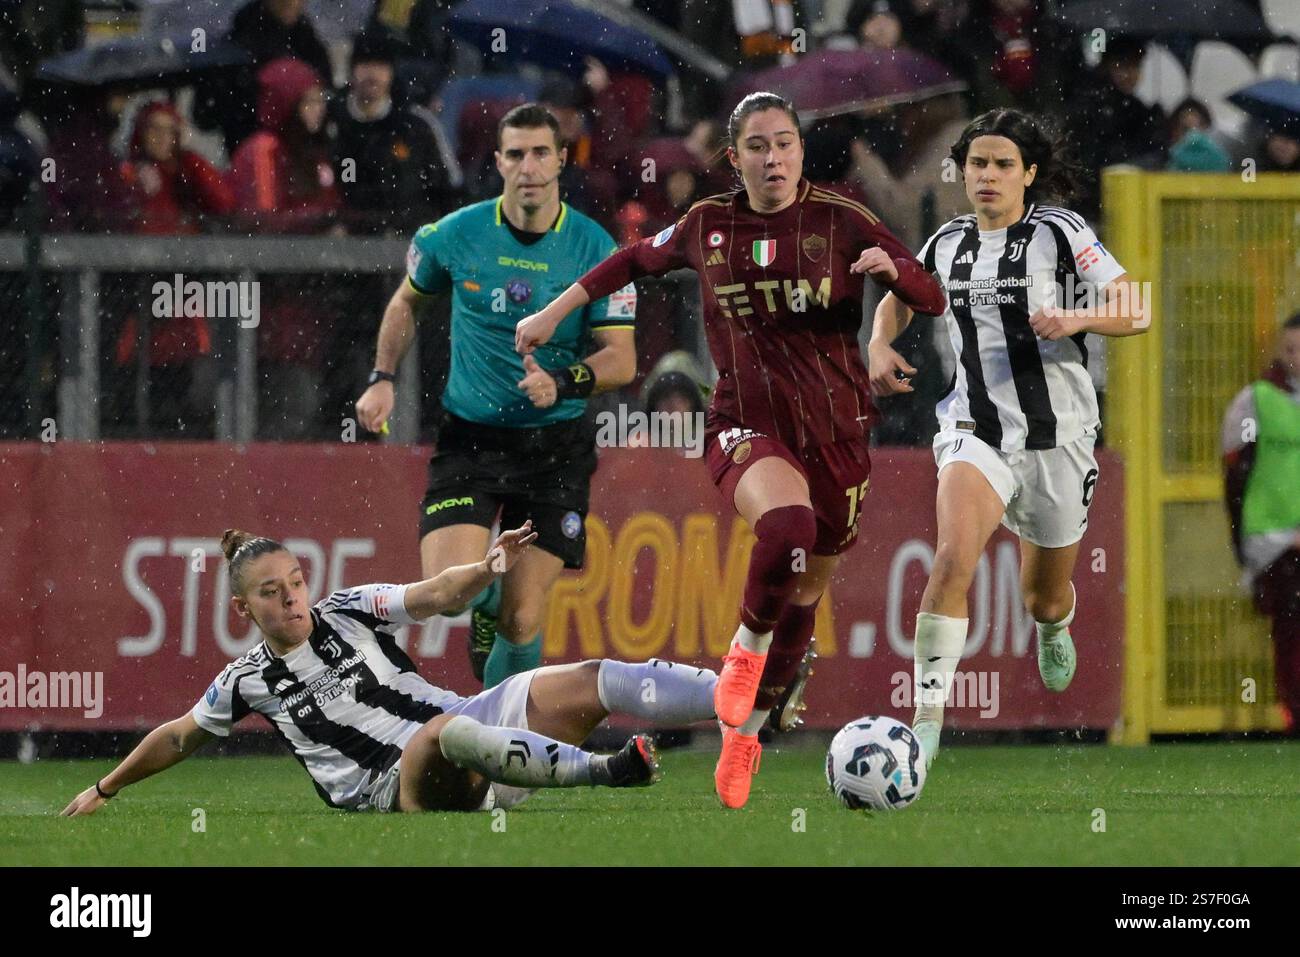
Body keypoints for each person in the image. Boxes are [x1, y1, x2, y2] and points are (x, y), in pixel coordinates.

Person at [515, 91, 947, 808]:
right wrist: (554, 310)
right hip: (746, 422)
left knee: (806, 587)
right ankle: (744, 651)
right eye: (757, 146)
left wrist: (893, 273)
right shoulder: (707, 225)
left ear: (800, 152)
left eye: (784, 143)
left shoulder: (843, 220)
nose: (772, 157)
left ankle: (746, 731)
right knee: (786, 528)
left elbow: (929, 294)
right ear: (735, 157)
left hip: (836, 433)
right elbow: (630, 263)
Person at [61, 523, 720, 816]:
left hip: (481, 729)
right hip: (400, 783)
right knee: (439, 734)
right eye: (272, 591)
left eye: (295, 580)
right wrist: (106, 786)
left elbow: (433, 593)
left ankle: (744, 697)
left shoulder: (347, 608)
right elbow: (179, 735)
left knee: (592, 675)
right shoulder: (247, 680)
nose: (293, 596)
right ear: (242, 607)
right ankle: (609, 770)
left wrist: (483, 570)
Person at [868, 108, 1150, 770]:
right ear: (962, 172)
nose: (988, 176)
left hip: (1060, 436)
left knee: (1042, 595)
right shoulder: (946, 242)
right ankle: (927, 722)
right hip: (975, 427)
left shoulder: (1060, 232)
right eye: (977, 164)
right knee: (950, 559)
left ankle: (1054, 623)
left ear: (1029, 173)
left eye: (1001, 165)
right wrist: (880, 341)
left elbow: (1135, 307)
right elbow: (901, 294)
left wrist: (1076, 316)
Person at [353, 103, 637, 689]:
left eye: (539, 153)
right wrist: (382, 378)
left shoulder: (597, 248)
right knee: (448, 598)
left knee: (524, 615)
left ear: (561, 159)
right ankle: (480, 602)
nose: (527, 167)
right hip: (472, 442)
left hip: (556, 446)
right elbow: (407, 301)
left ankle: (508, 753)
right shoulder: (454, 235)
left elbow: (621, 360)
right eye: (515, 154)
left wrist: (561, 381)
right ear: (499, 161)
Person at [1222, 313, 1300, 736]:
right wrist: (1242, 542)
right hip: (1276, 539)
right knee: (1292, 627)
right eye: (1290, 348)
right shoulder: (1256, 400)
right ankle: (1296, 716)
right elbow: (1235, 472)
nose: (1296, 357)